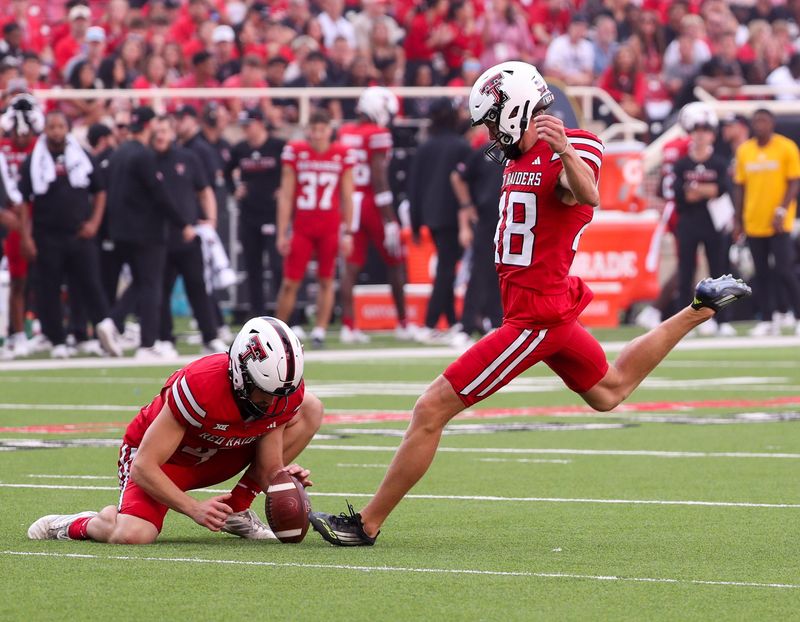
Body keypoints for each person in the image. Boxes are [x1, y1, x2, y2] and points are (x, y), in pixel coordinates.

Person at [309, 61, 752, 546]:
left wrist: (562, 149)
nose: (491, 134)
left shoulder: (571, 146)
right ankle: (700, 308)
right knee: (609, 390)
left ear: (517, 107)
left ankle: (366, 523)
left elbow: (588, 193)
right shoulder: (519, 154)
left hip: (534, 315)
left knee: (430, 408)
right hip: (541, 308)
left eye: (494, 120)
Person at [27, 316, 323, 544]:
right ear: (240, 372)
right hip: (164, 461)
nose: (272, 403)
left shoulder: (283, 393)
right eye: (263, 392)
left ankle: (236, 509)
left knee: (311, 408)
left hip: (221, 451)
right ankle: (80, 523)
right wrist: (194, 508)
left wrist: (281, 478)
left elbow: (269, 464)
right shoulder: (202, 385)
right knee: (133, 534)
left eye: (278, 395)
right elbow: (143, 466)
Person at [17, 110, 122, 359]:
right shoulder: (34, 160)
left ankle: (101, 332)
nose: (56, 131)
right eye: (51, 126)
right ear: (45, 130)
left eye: (60, 126)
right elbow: (23, 202)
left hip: (79, 233)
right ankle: (57, 339)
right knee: (49, 289)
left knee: (90, 284)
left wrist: (94, 222)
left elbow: (100, 191)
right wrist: (26, 236)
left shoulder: (82, 157)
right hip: (47, 234)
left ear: (67, 129)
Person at [105, 106, 196, 359]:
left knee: (140, 283)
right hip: (146, 232)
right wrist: (182, 223)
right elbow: (160, 194)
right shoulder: (143, 155)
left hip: (121, 231)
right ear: (148, 125)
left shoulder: (119, 153)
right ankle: (147, 343)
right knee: (151, 285)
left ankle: (112, 321)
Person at [275, 110, 354, 348]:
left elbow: (347, 195)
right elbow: (286, 195)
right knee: (290, 281)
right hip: (302, 227)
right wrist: (282, 231)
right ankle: (277, 333)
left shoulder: (342, 154)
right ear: (308, 130)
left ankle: (319, 330)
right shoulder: (297, 152)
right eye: (314, 129)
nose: (318, 135)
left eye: (322, 130)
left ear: (330, 131)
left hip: (329, 227)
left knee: (326, 280)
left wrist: (348, 232)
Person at [337, 87, 409, 343]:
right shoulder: (378, 134)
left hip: (350, 202)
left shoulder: (345, 132)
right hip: (372, 204)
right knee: (396, 260)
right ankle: (403, 323)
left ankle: (348, 325)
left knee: (352, 266)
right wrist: (389, 218)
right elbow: (379, 179)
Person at [151, 116, 226, 355]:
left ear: (173, 132)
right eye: (156, 132)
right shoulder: (148, 160)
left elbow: (204, 190)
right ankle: (165, 338)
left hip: (188, 236)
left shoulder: (188, 158)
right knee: (160, 289)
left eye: (164, 131)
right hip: (161, 238)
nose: (160, 136)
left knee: (198, 288)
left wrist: (211, 220)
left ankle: (210, 336)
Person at [408, 97, 472, 345]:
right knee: (447, 270)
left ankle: (453, 320)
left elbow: (414, 187)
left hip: (431, 215)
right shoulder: (460, 146)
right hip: (454, 215)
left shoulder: (426, 146)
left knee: (446, 267)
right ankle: (431, 322)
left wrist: (415, 222)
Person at [732, 108, 800, 337]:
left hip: (778, 222)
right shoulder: (745, 151)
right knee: (760, 273)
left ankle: (797, 315)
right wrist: (738, 217)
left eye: (764, 120)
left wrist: (782, 209)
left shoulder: (786, 147)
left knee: (785, 270)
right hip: (754, 220)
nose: (760, 125)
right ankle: (769, 319)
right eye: (757, 121)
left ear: (772, 123)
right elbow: (740, 186)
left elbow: (793, 181)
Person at [671, 106, 735, 336]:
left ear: (712, 134)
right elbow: (681, 193)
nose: (701, 134)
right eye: (697, 129)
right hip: (688, 222)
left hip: (713, 224)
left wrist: (698, 189)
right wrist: (706, 190)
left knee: (719, 272)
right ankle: (682, 323)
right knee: (686, 271)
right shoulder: (682, 164)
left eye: (706, 129)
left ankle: (722, 320)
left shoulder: (718, 162)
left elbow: (722, 189)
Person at [226, 108, 284, 316]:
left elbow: (290, 171)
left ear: (260, 123)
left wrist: (285, 189)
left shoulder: (278, 146)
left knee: (278, 266)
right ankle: (257, 315)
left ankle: (285, 315)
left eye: (248, 125)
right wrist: (234, 190)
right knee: (253, 267)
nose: (246, 130)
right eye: (243, 126)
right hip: (249, 215)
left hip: (273, 214)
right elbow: (226, 172)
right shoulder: (240, 149)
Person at [0, 92, 41, 358]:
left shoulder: (40, 145)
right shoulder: (3, 148)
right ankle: (15, 332)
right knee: (17, 279)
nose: (21, 137)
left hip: (38, 218)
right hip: (11, 219)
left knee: (42, 280)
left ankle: (39, 328)